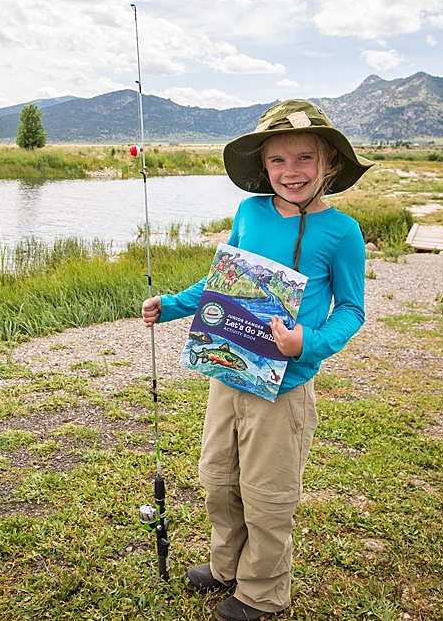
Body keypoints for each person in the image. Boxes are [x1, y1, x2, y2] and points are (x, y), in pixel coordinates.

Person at [141, 99, 374, 621]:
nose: (291, 171)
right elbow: (222, 282)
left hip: (284, 386)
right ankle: (226, 566)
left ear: (330, 162)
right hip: (228, 368)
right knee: (218, 479)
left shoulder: (342, 232)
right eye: (277, 160)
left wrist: (307, 342)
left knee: (268, 494)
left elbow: (351, 309)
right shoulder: (249, 213)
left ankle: (263, 592)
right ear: (263, 166)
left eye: (305, 157)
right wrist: (172, 305)